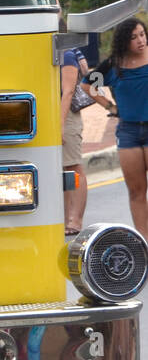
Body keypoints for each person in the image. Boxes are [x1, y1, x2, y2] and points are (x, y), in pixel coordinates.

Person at [93, 18, 148, 240]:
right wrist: (110, 106)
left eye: (143, 34)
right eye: (134, 37)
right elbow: (90, 84)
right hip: (128, 132)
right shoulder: (113, 65)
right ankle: (144, 242)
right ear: (124, 41)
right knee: (136, 192)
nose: (140, 41)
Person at [59, 43, 112, 235]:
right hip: (55, 114)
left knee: (73, 167)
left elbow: (69, 91)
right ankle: (63, 219)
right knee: (60, 171)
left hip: (66, 116)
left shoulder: (66, 54)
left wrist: (60, 124)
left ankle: (75, 220)